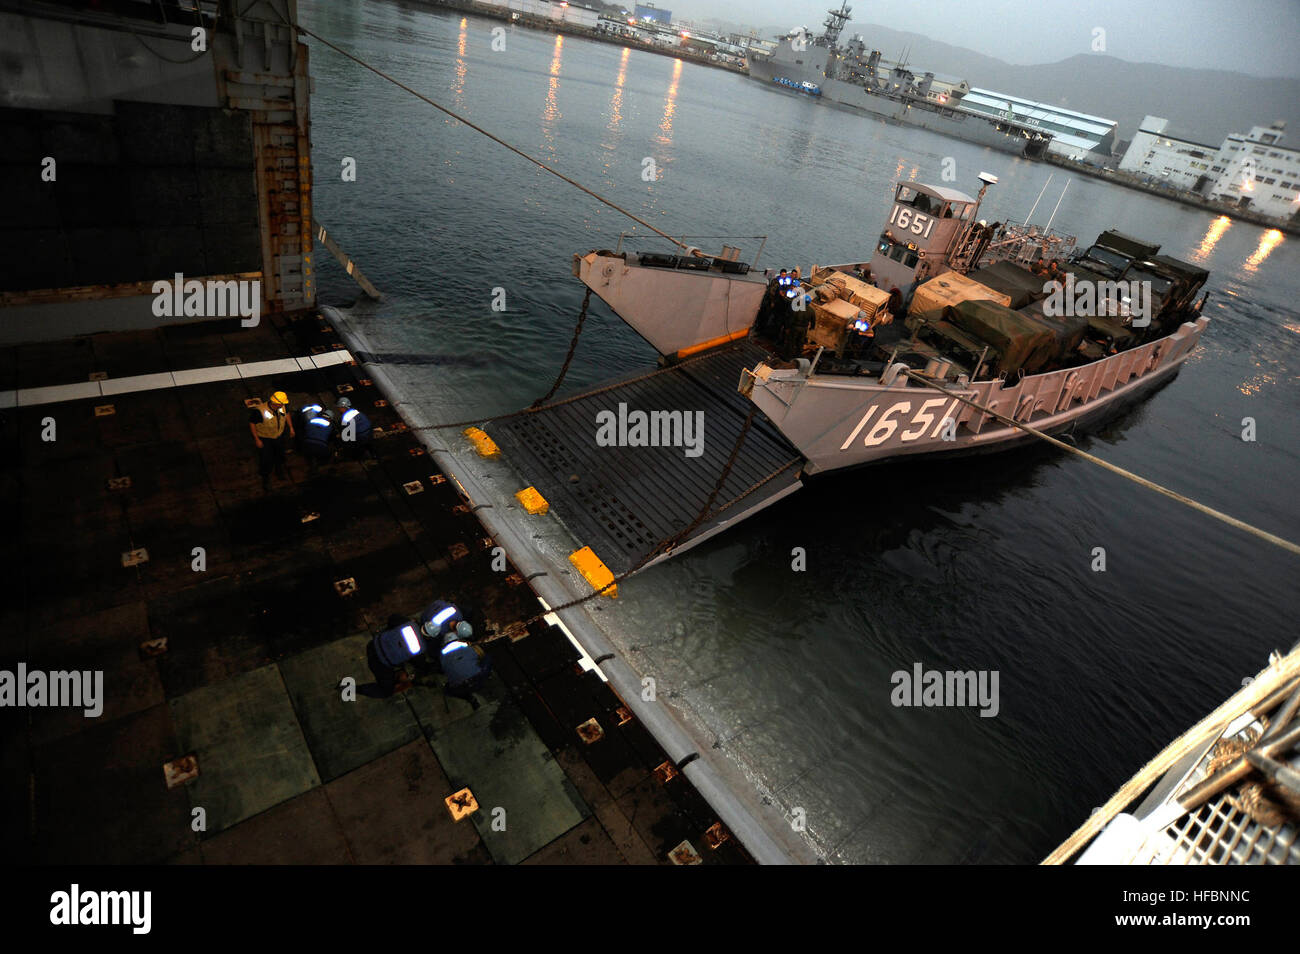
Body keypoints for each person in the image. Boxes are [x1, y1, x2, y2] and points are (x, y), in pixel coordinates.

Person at [367, 615, 429, 697]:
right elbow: (420, 665)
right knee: (386, 691)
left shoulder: (408, 623)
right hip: (380, 664)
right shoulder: (421, 649)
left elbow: (392, 618)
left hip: (372, 644)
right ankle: (354, 689)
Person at [248, 390, 294, 491]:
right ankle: (265, 478)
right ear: (275, 402)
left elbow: (287, 414)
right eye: (281, 403)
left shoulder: (282, 406)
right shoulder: (259, 411)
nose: (283, 405)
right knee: (266, 459)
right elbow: (252, 424)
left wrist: (291, 427)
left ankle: (279, 471)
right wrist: (257, 439)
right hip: (265, 438)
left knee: (280, 454)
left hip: (278, 436)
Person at [437, 623, 493, 698]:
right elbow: (479, 654)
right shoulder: (464, 646)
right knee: (488, 657)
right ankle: (488, 676)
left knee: (448, 688)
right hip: (477, 678)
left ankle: (470, 698)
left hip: (460, 687)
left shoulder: (442, 655)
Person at [297, 401, 335, 469]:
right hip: (320, 447)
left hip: (306, 445)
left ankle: (312, 464)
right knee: (329, 451)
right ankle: (321, 467)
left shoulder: (311, 421)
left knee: (310, 454)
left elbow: (304, 431)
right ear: (330, 419)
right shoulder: (330, 426)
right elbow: (331, 439)